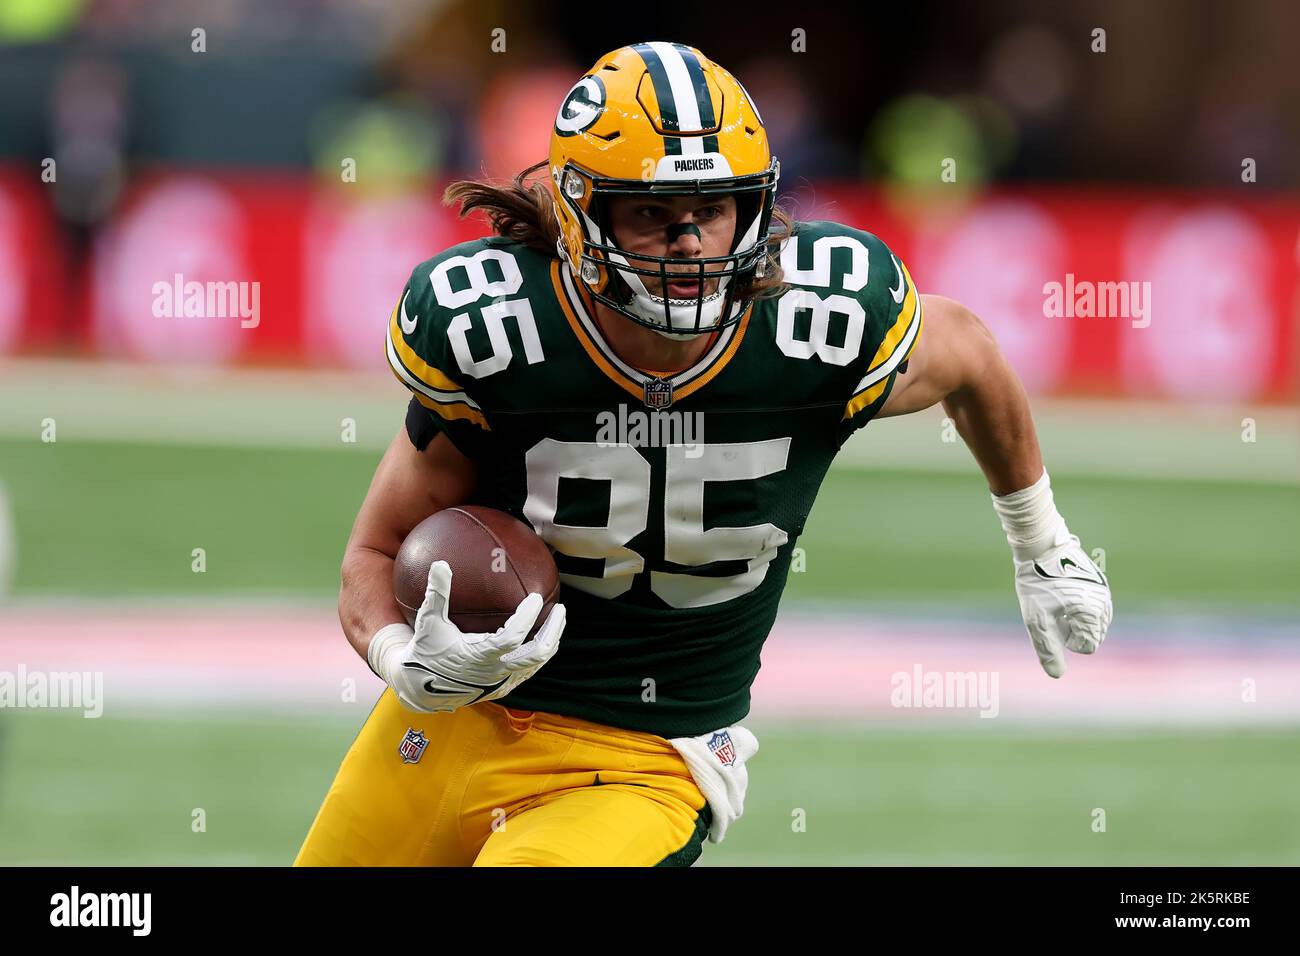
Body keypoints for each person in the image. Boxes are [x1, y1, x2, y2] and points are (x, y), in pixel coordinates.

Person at [295, 41, 1112, 867]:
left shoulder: (811, 328)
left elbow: (968, 350)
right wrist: (404, 661)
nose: (690, 243)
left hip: (640, 765)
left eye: (714, 208)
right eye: (654, 212)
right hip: (445, 729)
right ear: (583, 214)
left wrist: (1041, 543)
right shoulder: (504, 331)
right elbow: (374, 551)